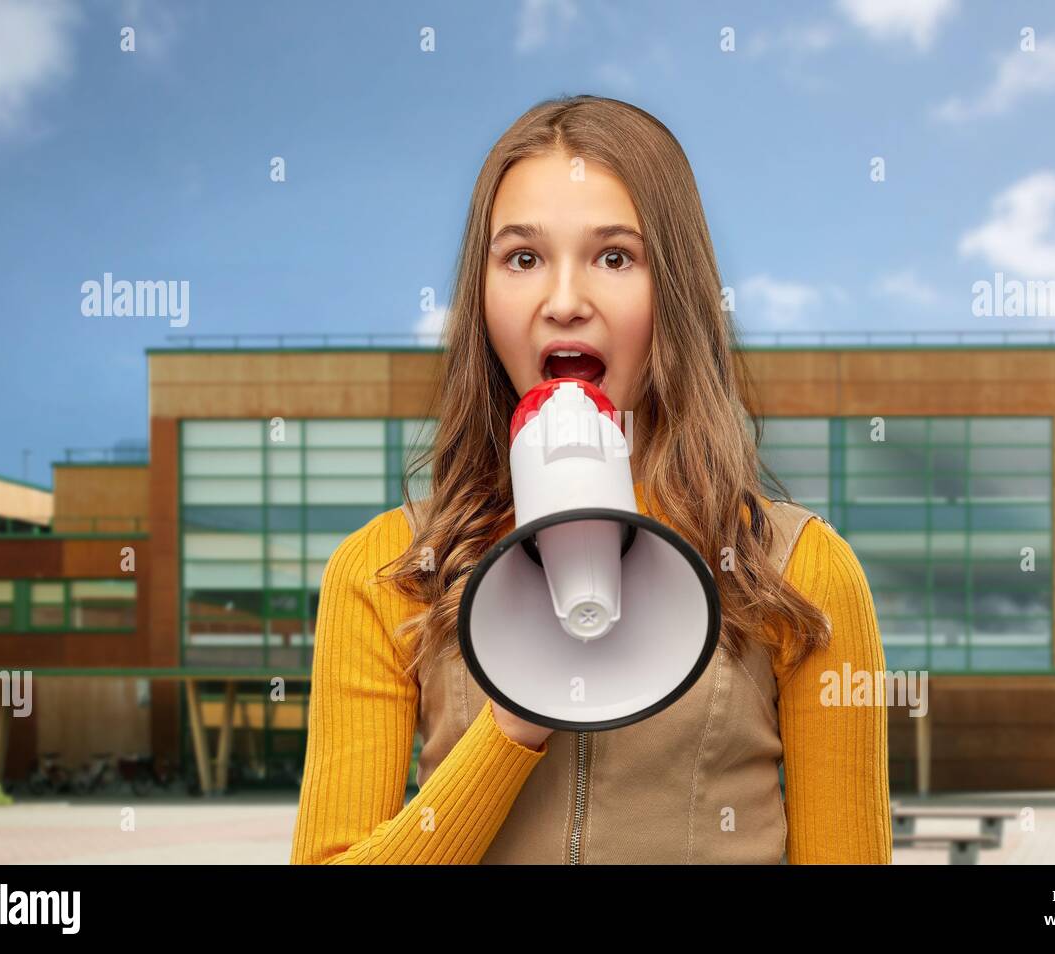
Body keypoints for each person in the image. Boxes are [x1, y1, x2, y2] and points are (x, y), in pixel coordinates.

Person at [290, 94, 891, 864]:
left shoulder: (800, 571)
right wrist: (513, 723)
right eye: (523, 258)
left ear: (673, 292)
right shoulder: (385, 574)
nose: (565, 302)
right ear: (482, 296)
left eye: (615, 257)